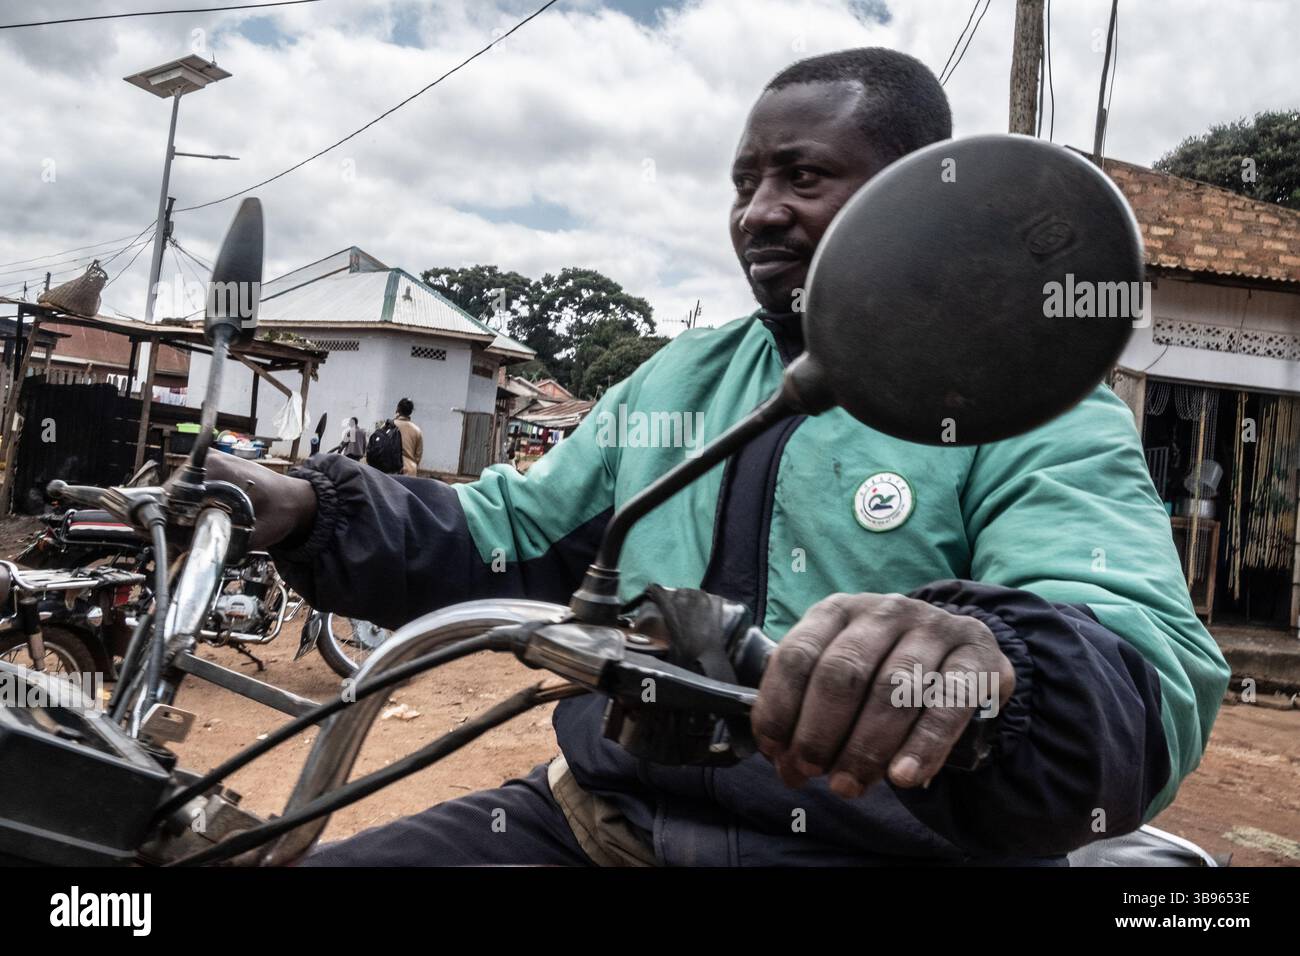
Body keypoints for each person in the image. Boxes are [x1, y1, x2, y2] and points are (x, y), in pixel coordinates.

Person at [208, 48, 1228, 866]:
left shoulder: (1031, 402)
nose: (759, 209)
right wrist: (306, 504)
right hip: (601, 821)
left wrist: (996, 663)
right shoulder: (676, 380)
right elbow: (509, 536)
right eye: (745, 181)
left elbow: (1150, 663)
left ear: (912, 203)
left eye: (803, 175)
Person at [392, 397, 423, 476]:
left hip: (390, 470)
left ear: (397, 409)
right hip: (409, 471)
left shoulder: (388, 426)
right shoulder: (417, 430)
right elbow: (418, 456)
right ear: (411, 412)